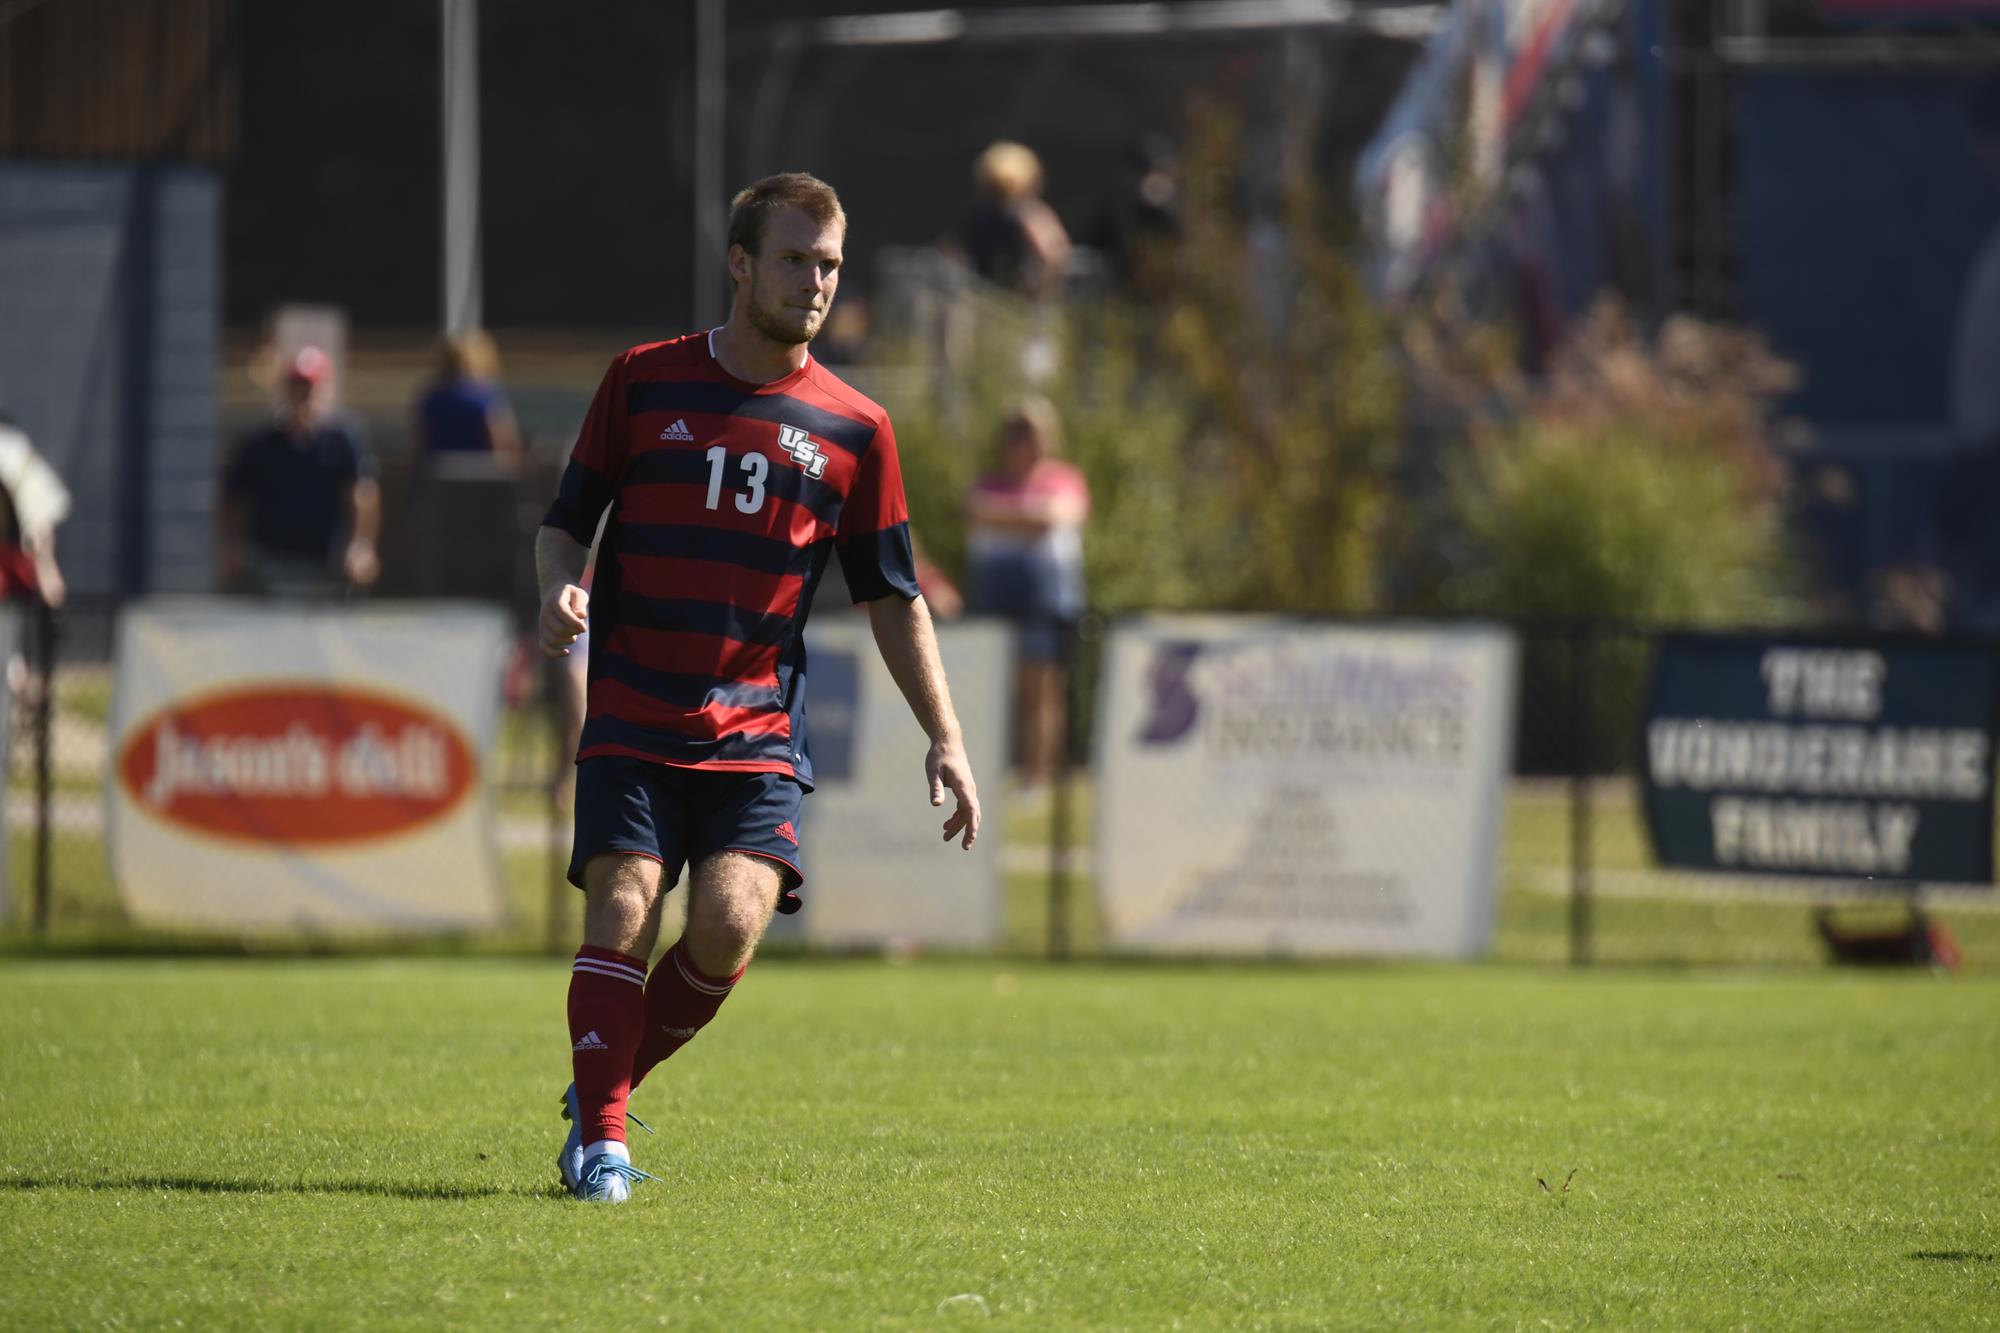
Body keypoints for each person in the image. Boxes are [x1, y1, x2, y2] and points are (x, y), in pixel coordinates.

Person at [535, 172, 982, 1204]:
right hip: (636, 708)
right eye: (794, 259)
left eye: (829, 264)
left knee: (732, 922)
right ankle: (602, 1145)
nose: (815, 281)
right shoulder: (642, 381)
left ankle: (601, 1080)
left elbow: (892, 595)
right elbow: (565, 520)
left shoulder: (856, 427)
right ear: (740, 264)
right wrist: (558, 583)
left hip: (754, 729)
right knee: (623, 903)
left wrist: (944, 735)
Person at [964, 396, 1089, 788]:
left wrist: (1008, 518)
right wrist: (1031, 516)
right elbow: (977, 510)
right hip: (994, 600)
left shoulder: (1065, 479)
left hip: (1046, 601)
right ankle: (986, 771)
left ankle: (1034, 779)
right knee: (989, 688)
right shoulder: (988, 481)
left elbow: (1058, 516)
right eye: (1017, 433)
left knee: (1041, 691)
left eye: (1031, 433)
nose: (1024, 442)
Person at [220, 347, 381, 597]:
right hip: (269, 560)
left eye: (310, 388)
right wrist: (231, 548)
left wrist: (361, 546)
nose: (304, 397)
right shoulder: (261, 444)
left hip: (326, 561)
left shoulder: (342, 440)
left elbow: (362, 494)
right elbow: (234, 499)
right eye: (297, 388)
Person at [960, 141, 1071, 302]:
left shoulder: (976, 216)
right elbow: (1053, 256)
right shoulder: (1031, 215)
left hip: (985, 302)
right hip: (1022, 306)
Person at [413, 329, 523, 460]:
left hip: (440, 470)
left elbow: (421, 443)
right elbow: (503, 444)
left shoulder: (432, 398)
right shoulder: (486, 396)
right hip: (482, 470)